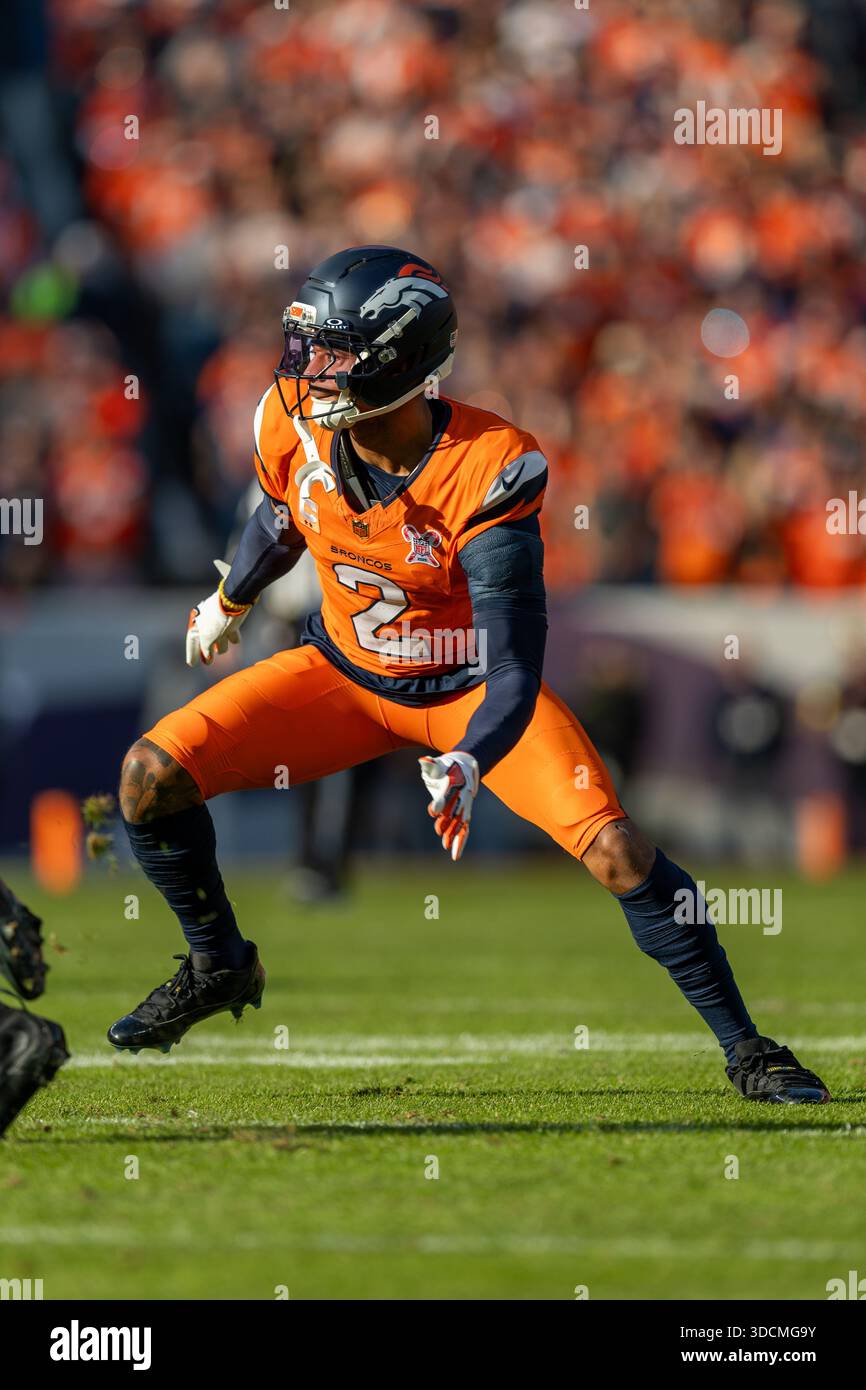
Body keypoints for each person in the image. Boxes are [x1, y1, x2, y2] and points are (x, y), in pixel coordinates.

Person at [109, 245, 829, 1104]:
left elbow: (515, 664)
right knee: (149, 780)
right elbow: (282, 512)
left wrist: (471, 757)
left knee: (618, 851)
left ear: (397, 361)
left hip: (468, 695)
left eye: (334, 352)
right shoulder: (289, 420)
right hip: (342, 677)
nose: (308, 369)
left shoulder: (489, 465)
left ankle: (749, 1049)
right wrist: (231, 595)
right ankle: (219, 963)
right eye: (309, 347)